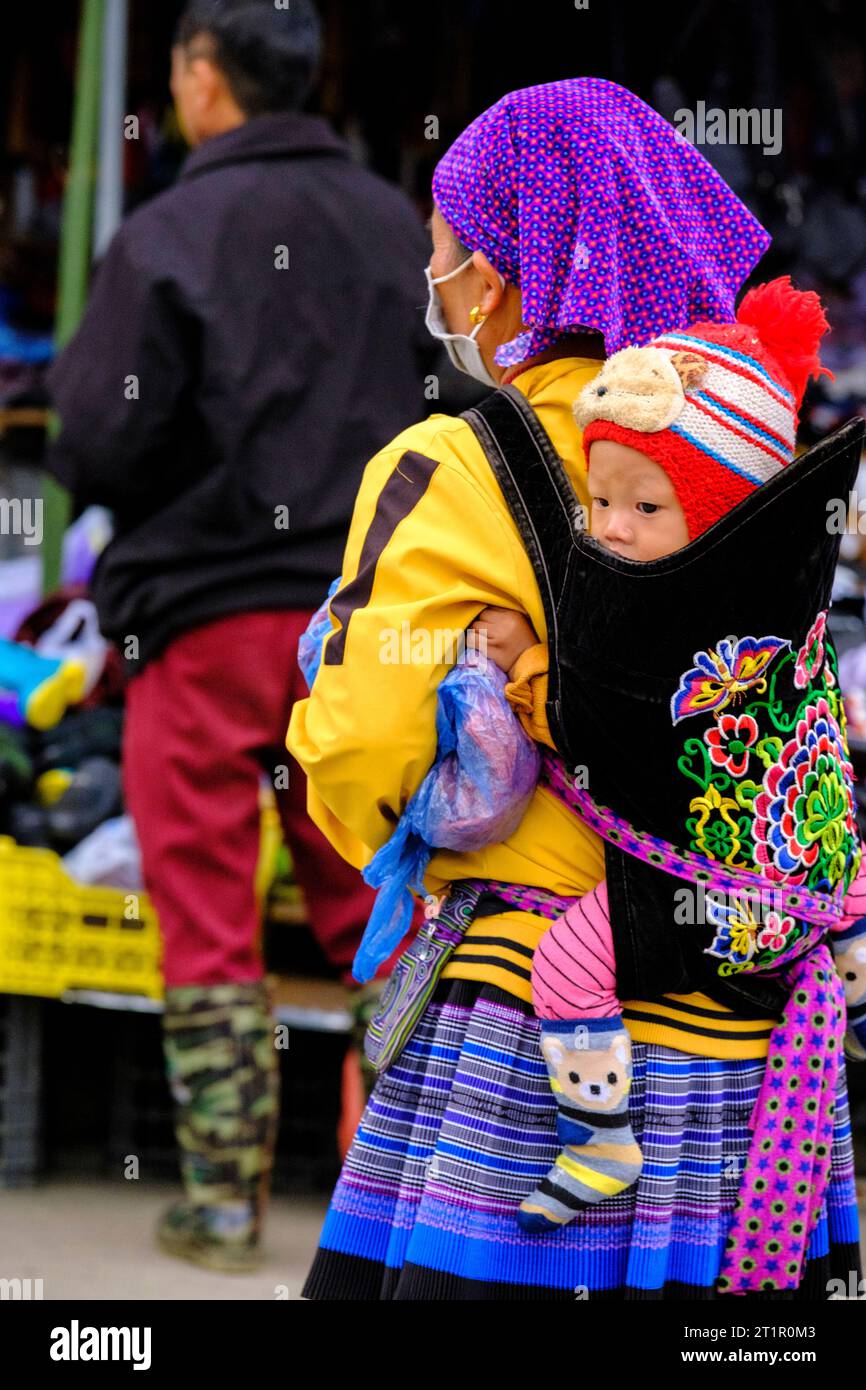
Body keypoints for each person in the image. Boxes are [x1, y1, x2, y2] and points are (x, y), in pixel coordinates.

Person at [287, 78, 862, 1300]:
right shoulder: (760, 451)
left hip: (535, 1036)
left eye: (442, 256)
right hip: (750, 1034)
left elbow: (352, 751)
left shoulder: (451, 464)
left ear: (499, 276)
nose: (435, 286)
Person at [45, 0, 441, 1272]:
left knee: (207, 914)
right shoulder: (398, 224)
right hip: (367, 629)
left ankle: (220, 1206)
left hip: (207, 625)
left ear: (203, 79)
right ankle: (401, 1206)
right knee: (376, 906)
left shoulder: (168, 233)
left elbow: (98, 442)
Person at [466, 279, 866, 1246]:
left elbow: (603, 729)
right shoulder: (785, 605)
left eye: (645, 505)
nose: (608, 526)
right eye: (599, 499)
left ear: (725, 520)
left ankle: (600, 1139)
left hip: (722, 895)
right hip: (823, 875)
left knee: (567, 968)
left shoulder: (673, 630)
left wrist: (523, 661)